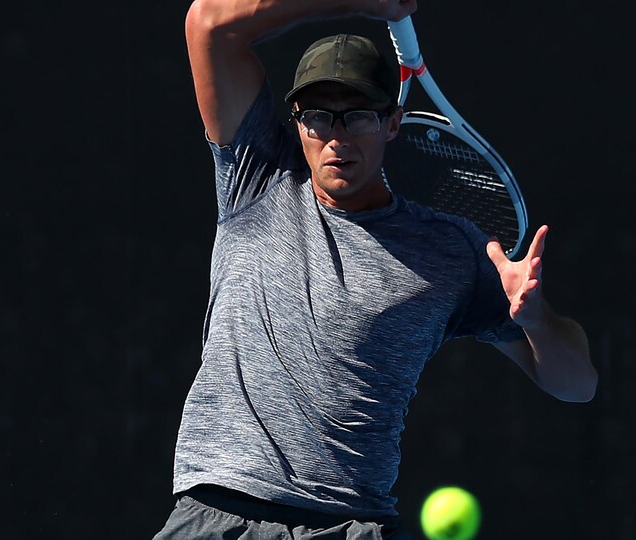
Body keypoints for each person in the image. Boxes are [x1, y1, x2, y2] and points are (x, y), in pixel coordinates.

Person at [153, 0, 598, 538]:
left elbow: (577, 385)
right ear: (297, 125)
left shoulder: (451, 251)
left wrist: (534, 323)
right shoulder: (255, 177)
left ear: (392, 123)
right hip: (217, 511)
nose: (337, 135)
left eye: (359, 114)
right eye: (318, 115)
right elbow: (208, 23)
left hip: (351, 526)